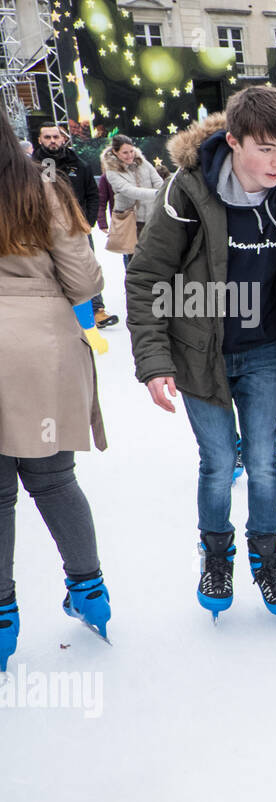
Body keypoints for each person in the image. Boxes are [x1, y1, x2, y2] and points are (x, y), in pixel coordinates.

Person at [125, 86, 276, 621]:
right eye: (265, 148)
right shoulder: (188, 193)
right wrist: (154, 361)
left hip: (265, 352)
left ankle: (267, 559)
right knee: (220, 464)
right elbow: (148, 278)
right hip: (200, 353)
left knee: (265, 464)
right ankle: (216, 555)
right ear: (234, 140)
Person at [0, 110, 112, 659]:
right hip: (41, 351)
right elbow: (84, 279)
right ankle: (90, 591)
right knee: (53, 481)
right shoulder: (43, 190)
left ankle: (1, 618)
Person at [32, 124, 110, 328]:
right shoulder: (31, 167)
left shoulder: (79, 164)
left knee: (86, 269)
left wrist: (88, 222)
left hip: (77, 229)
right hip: (45, 231)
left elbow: (93, 194)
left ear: (63, 138)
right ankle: (60, 314)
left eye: (56, 136)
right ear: (40, 140)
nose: (52, 141)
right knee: (50, 271)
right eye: (47, 137)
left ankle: (97, 311)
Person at [100, 134, 163, 269]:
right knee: (135, 259)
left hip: (151, 218)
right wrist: (157, 194)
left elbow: (158, 181)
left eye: (131, 151)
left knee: (155, 256)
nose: (129, 155)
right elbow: (128, 190)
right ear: (115, 153)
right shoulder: (112, 171)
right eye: (125, 153)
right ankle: (134, 287)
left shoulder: (143, 163)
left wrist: (162, 191)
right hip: (131, 220)